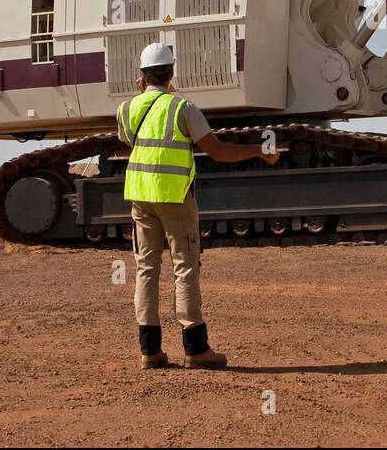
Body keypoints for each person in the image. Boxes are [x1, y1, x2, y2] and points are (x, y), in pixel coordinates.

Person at [117, 42, 278, 370]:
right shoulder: (182, 108)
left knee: (146, 269)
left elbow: (134, 141)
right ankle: (195, 349)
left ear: (141, 78)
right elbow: (217, 151)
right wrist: (258, 151)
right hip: (175, 197)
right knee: (185, 267)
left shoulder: (126, 109)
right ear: (172, 73)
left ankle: (150, 351)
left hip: (140, 196)